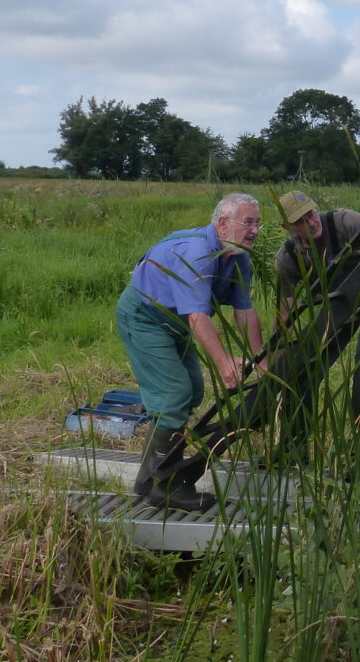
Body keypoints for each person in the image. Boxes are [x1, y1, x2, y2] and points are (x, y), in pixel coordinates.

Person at [115, 192, 266, 512]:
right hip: (145, 318)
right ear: (224, 224)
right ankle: (166, 487)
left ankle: (147, 484)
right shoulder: (196, 253)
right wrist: (225, 364)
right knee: (174, 395)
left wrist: (260, 357)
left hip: (175, 321)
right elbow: (198, 317)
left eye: (258, 223)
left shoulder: (239, 256)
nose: (254, 231)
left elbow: (245, 311)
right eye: (247, 223)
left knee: (192, 392)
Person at [272, 190, 360, 451]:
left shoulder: (345, 221)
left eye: (312, 214)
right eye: (301, 221)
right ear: (286, 227)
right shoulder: (289, 258)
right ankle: (293, 450)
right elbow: (285, 315)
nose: (311, 222)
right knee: (301, 371)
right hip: (336, 307)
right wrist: (275, 363)